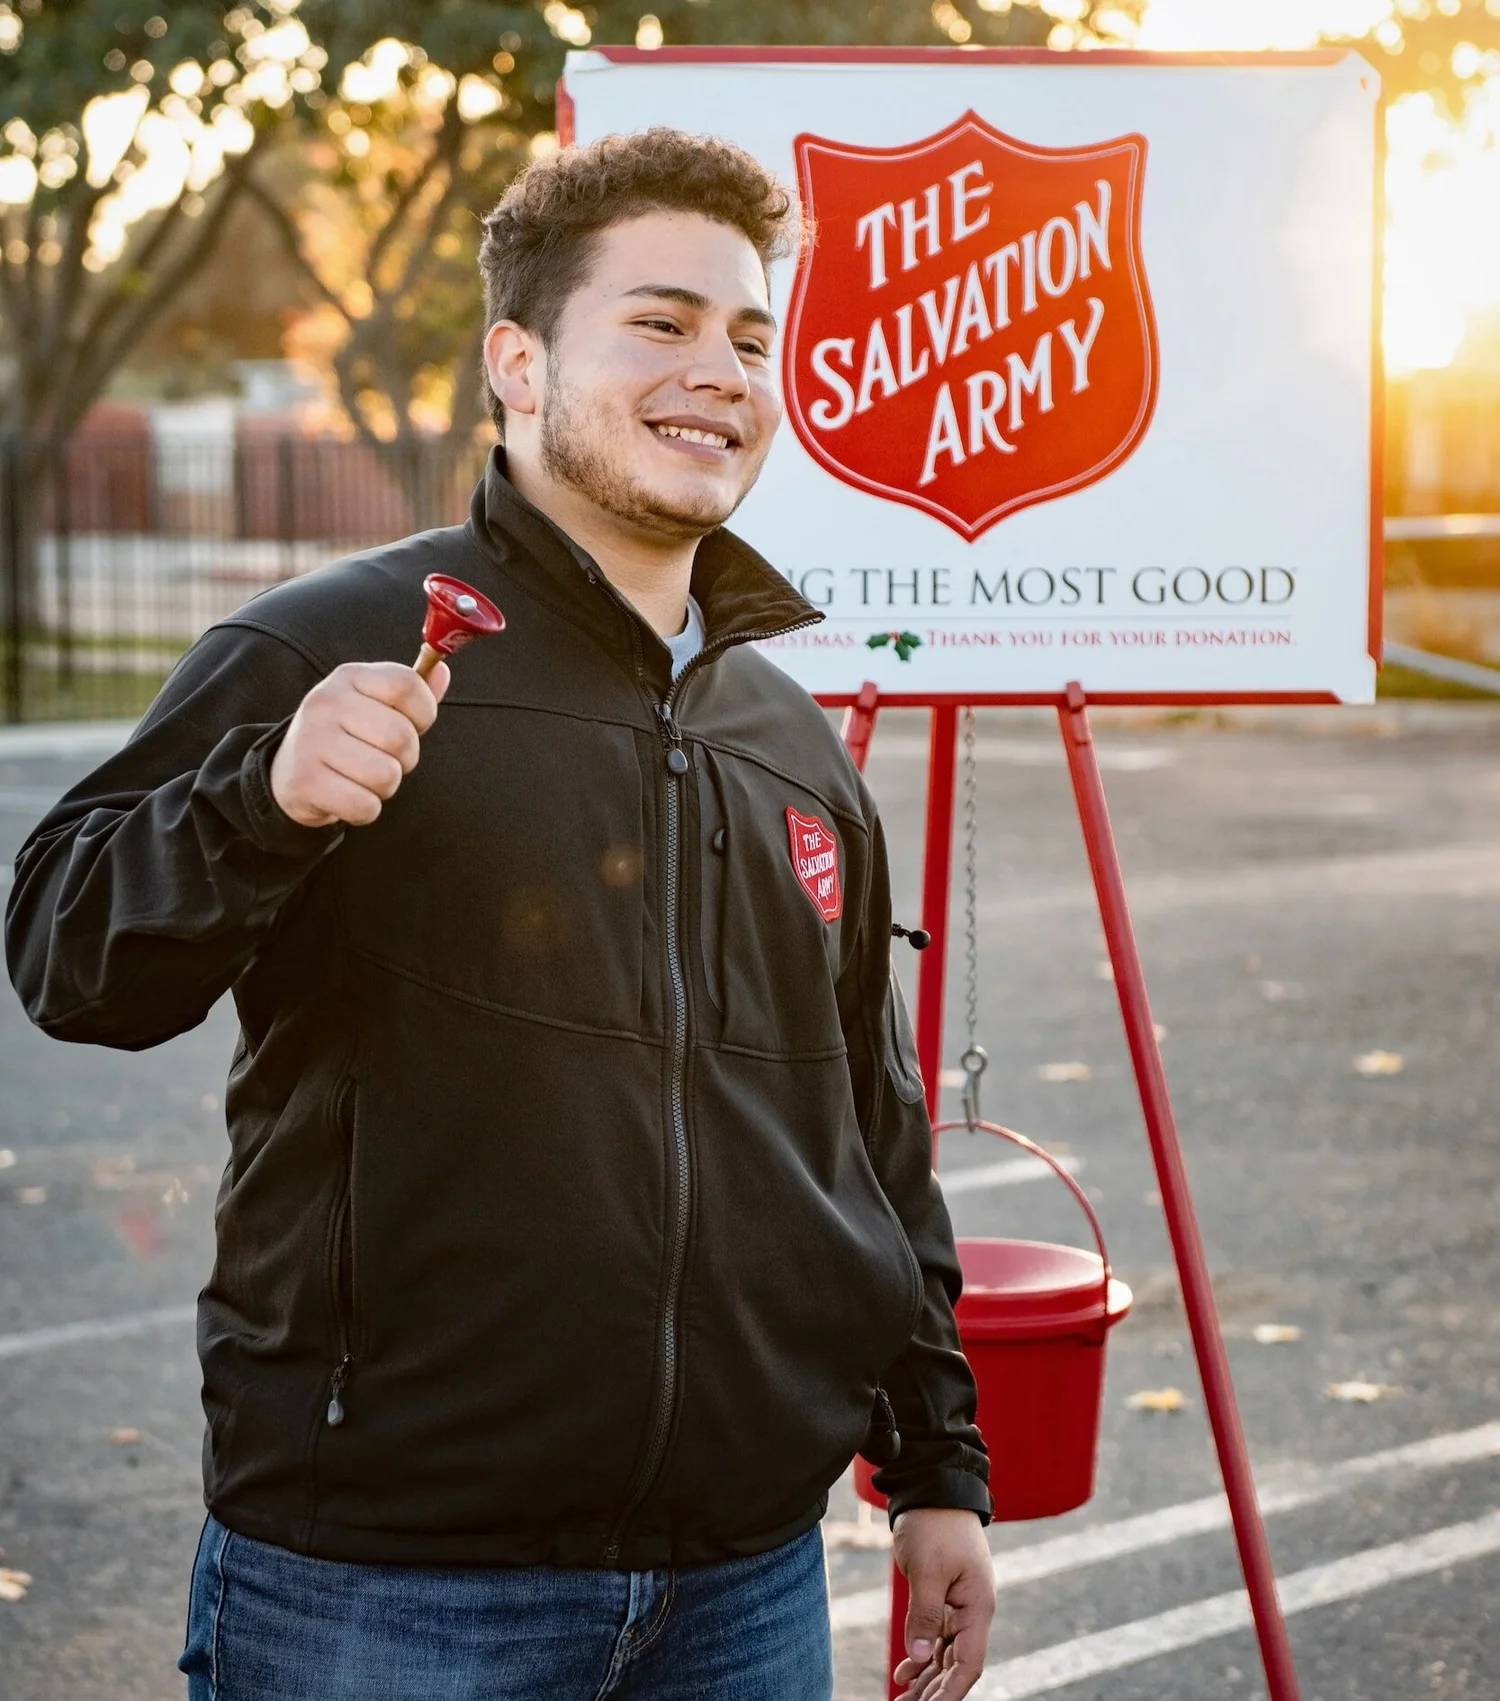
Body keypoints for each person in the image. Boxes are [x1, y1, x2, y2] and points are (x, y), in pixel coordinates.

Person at [5, 128, 995, 1701]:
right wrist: (256, 802)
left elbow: (869, 1134)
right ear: (517, 363)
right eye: (659, 324)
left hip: (744, 1586)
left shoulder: (794, 743)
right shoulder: (328, 644)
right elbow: (69, 959)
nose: (720, 372)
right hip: (388, 1591)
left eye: (750, 337)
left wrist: (938, 1466)